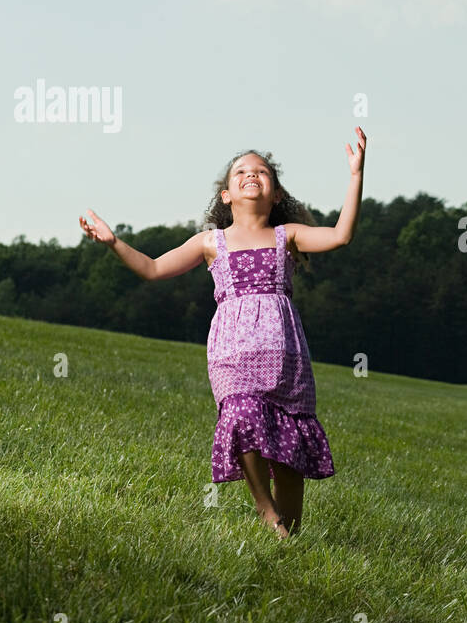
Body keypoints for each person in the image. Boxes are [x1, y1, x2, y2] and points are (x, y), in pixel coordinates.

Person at [79, 130, 365, 539]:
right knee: (240, 415)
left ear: (277, 193)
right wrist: (113, 243)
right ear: (226, 195)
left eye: (262, 171)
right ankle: (267, 514)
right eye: (242, 171)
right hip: (232, 352)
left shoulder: (289, 236)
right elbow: (154, 268)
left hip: (286, 355)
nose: (252, 175)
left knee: (288, 444)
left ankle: (290, 539)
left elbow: (341, 235)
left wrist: (355, 175)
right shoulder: (210, 241)